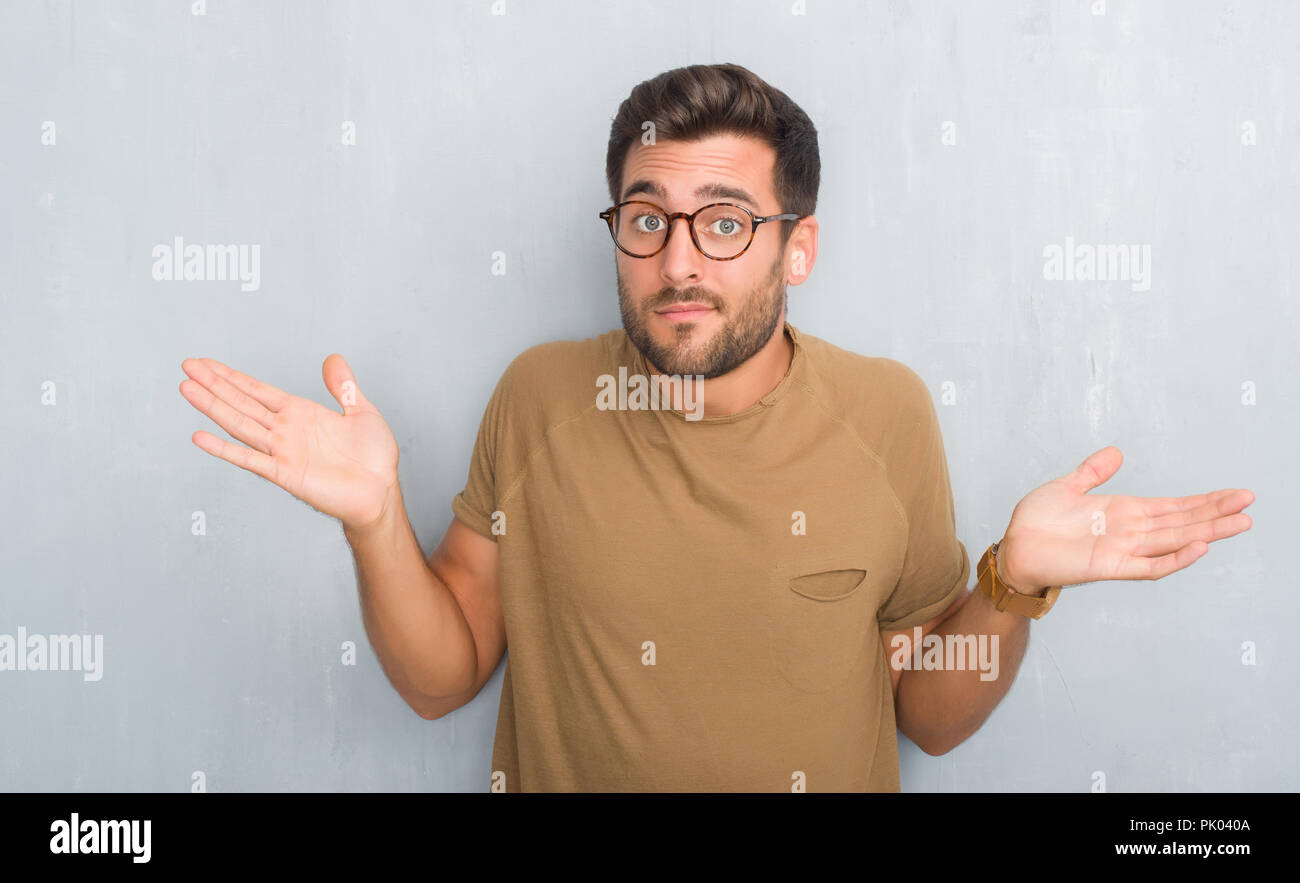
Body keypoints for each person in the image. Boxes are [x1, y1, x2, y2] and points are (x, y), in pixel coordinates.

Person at [178, 62, 1255, 792]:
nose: (679, 259)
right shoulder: (540, 397)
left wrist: (1013, 583)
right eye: (647, 218)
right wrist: (372, 521)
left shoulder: (886, 412)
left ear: (798, 248)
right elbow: (440, 679)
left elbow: (925, 713)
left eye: (725, 221)